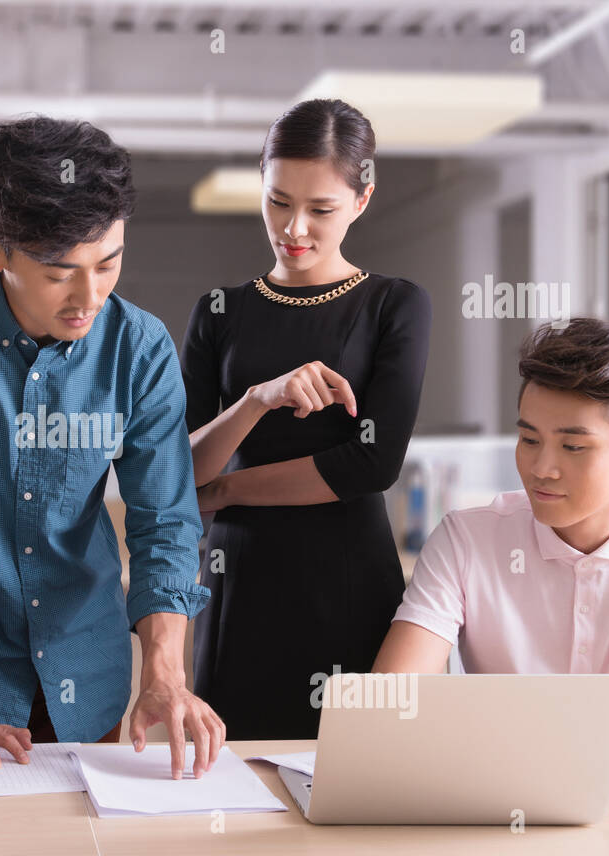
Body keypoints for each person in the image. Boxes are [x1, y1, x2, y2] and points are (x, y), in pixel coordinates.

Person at [0, 115, 221, 780]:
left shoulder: (138, 348)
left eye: (109, 262)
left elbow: (164, 520)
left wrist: (165, 673)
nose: (91, 296)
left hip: (88, 673)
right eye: (61, 272)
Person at [373, 317, 609, 799]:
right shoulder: (469, 539)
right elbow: (389, 707)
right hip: (500, 811)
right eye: (529, 439)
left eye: (573, 446)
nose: (541, 468)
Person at [182, 98, 432, 739]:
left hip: (346, 576)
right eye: (277, 201)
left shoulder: (393, 305)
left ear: (362, 200)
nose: (294, 228)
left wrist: (230, 489)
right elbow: (179, 470)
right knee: (233, 777)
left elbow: (372, 463)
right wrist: (256, 401)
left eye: (320, 209)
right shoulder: (218, 311)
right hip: (236, 579)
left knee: (352, 777)